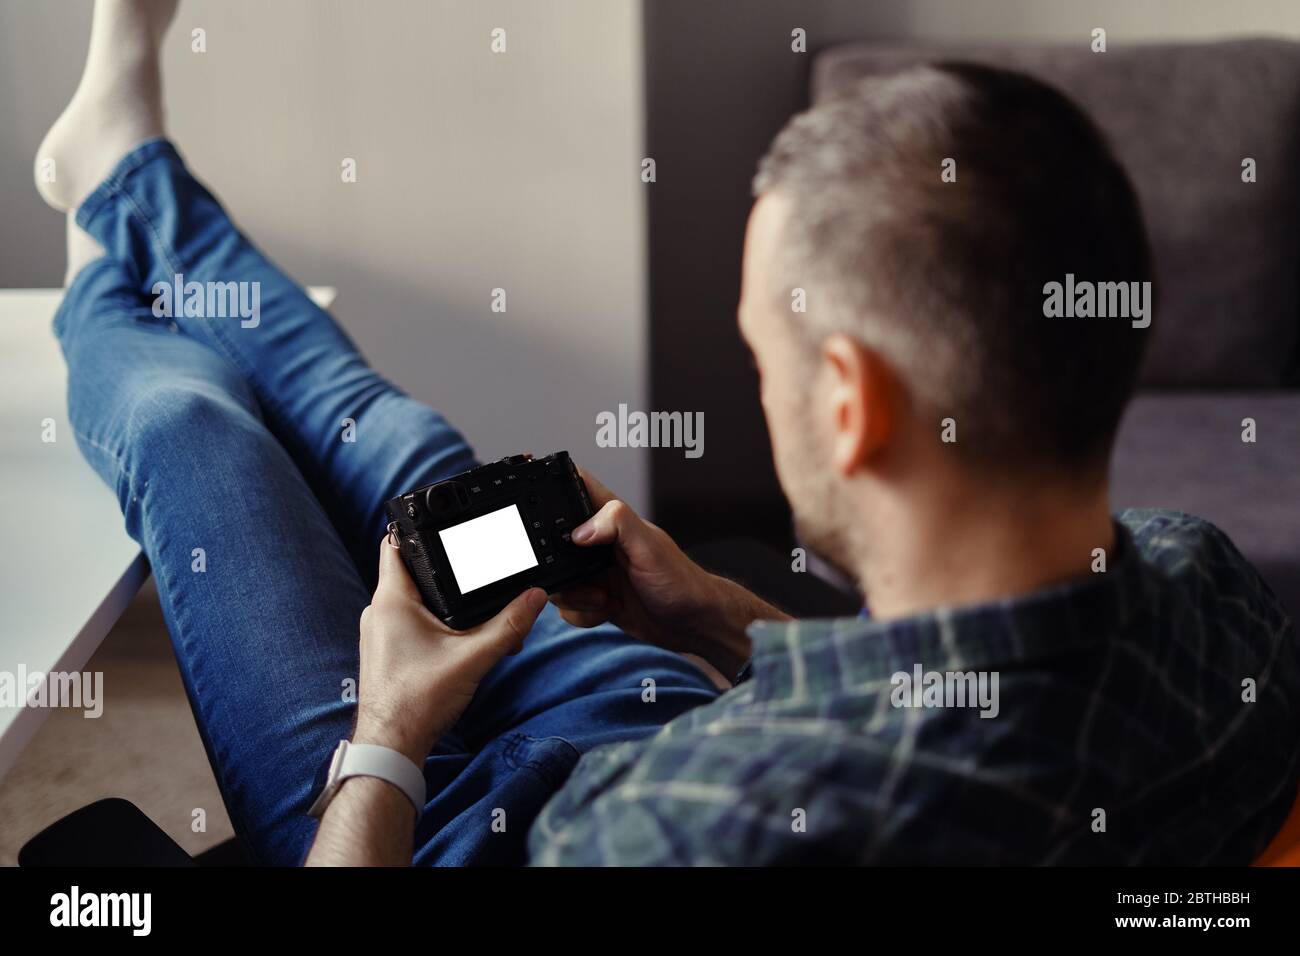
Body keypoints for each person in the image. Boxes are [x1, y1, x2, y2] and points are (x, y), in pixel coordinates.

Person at [37, 0, 1299, 867]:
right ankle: (122, 172)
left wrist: (389, 732)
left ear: (850, 403)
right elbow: (940, 695)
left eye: (762, 354)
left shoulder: (682, 836)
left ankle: (107, 226)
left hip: (436, 820)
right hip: (660, 700)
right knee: (414, 453)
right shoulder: (1201, 583)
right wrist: (707, 613)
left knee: (196, 428)